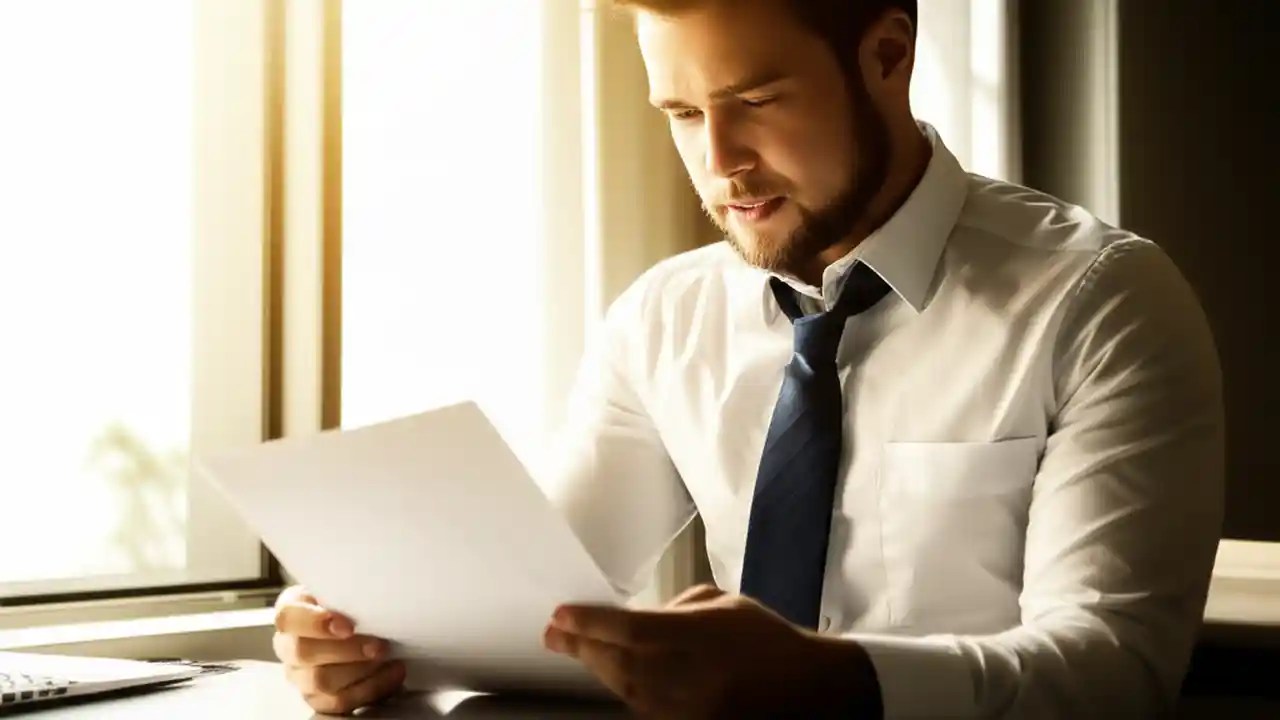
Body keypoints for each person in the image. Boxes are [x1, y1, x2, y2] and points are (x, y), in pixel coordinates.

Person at [271, 0, 1225, 716]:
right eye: (682, 113)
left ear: (888, 58)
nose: (720, 160)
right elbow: (545, 607)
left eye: (756, 100)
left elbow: (1112, 672)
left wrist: (836, 681)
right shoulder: (664, 318)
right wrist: (371, 636)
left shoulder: (1100, 302)